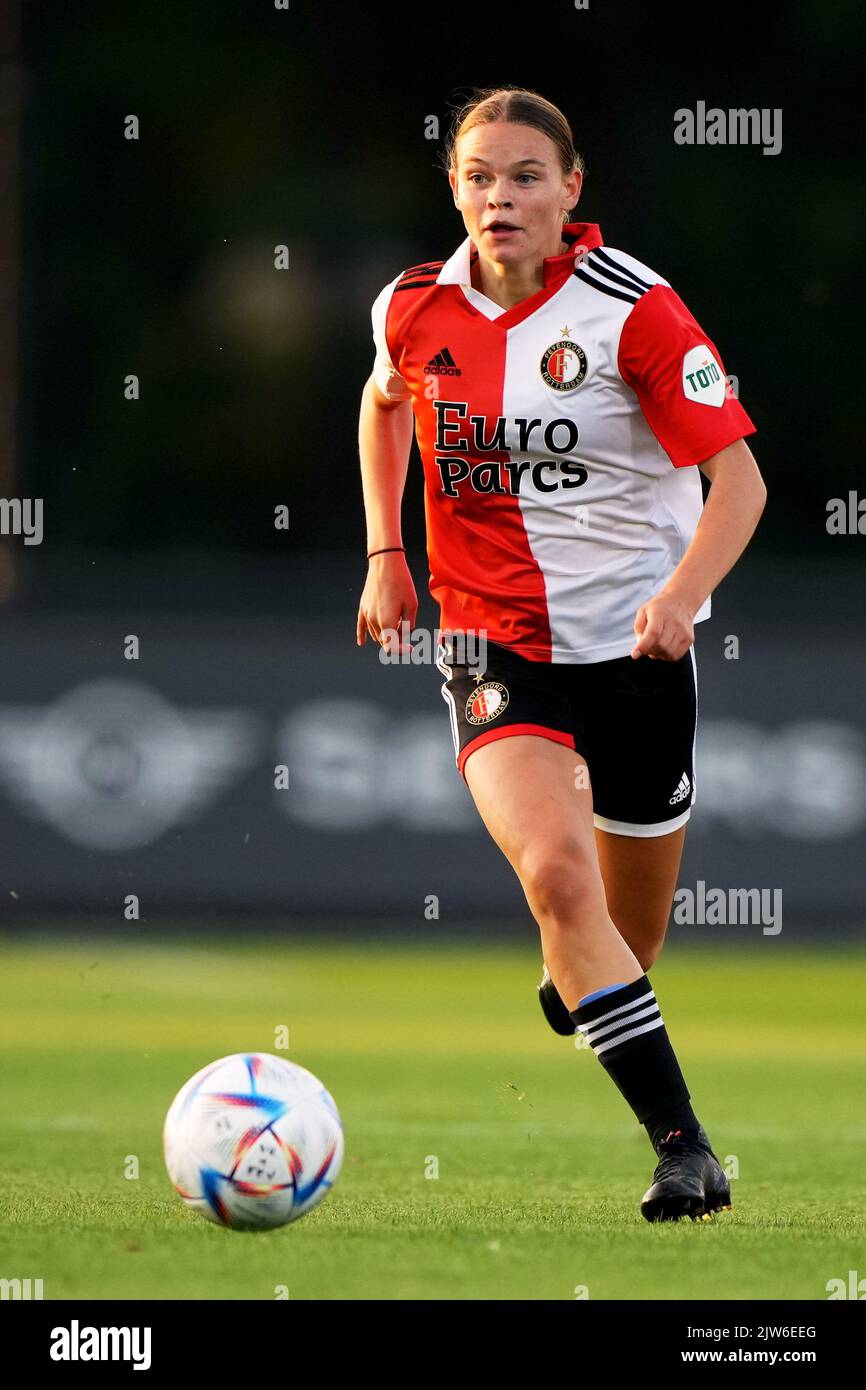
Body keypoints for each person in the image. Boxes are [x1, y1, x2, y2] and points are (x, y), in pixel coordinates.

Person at [356, 86, 767, 1221]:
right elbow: (383, 399)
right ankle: (683, 1149)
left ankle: (584, 976)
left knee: (621, 941)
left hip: (637, 651)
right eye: (480, 177)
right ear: (454, 190)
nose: (501, 198)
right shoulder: (411, 306)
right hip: (493, 641)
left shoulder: (633, 311)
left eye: (525, 176)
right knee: (553, 877)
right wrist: (387, 549)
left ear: (569, 190)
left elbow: (739, 482)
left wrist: (684, 594)